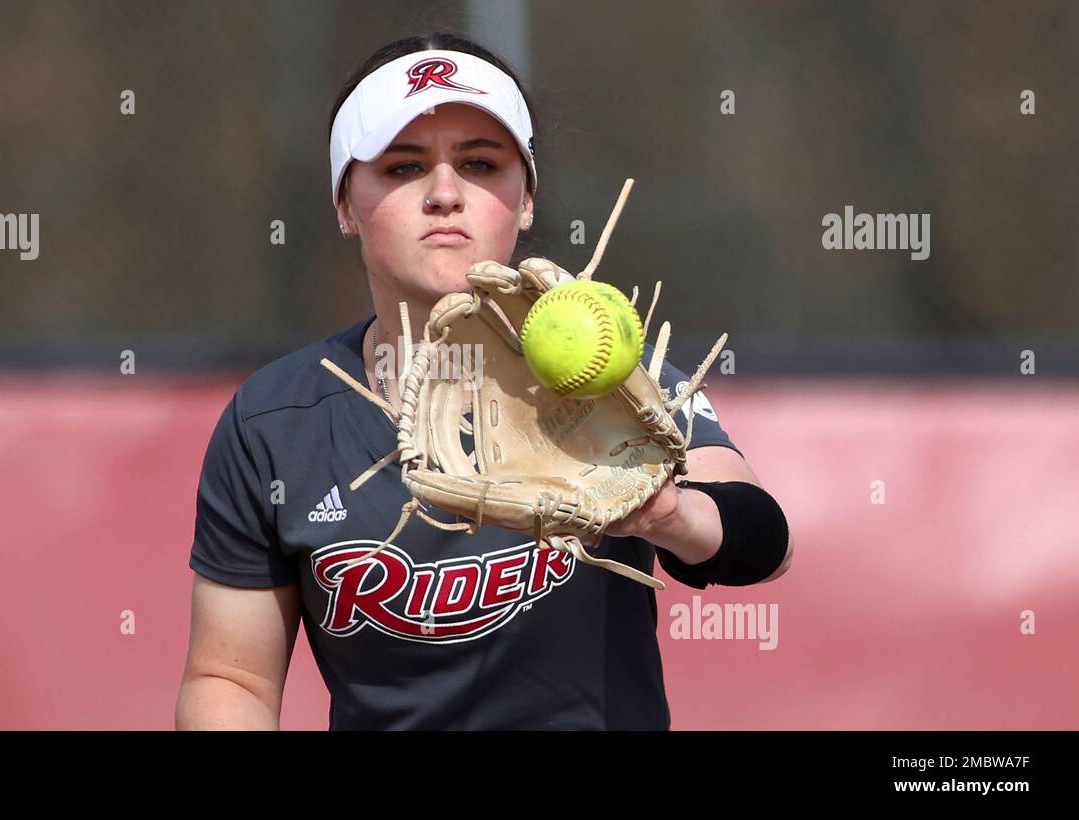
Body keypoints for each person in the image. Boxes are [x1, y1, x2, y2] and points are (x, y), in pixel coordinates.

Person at [175, 32, 794, 731]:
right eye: (404, 167)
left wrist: (670, 516)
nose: (445, 194)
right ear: (345, 205)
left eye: (479, 163)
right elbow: (231, 678)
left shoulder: (617, 381)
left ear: (525, 200)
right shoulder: (277, 421)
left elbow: (766, 544)